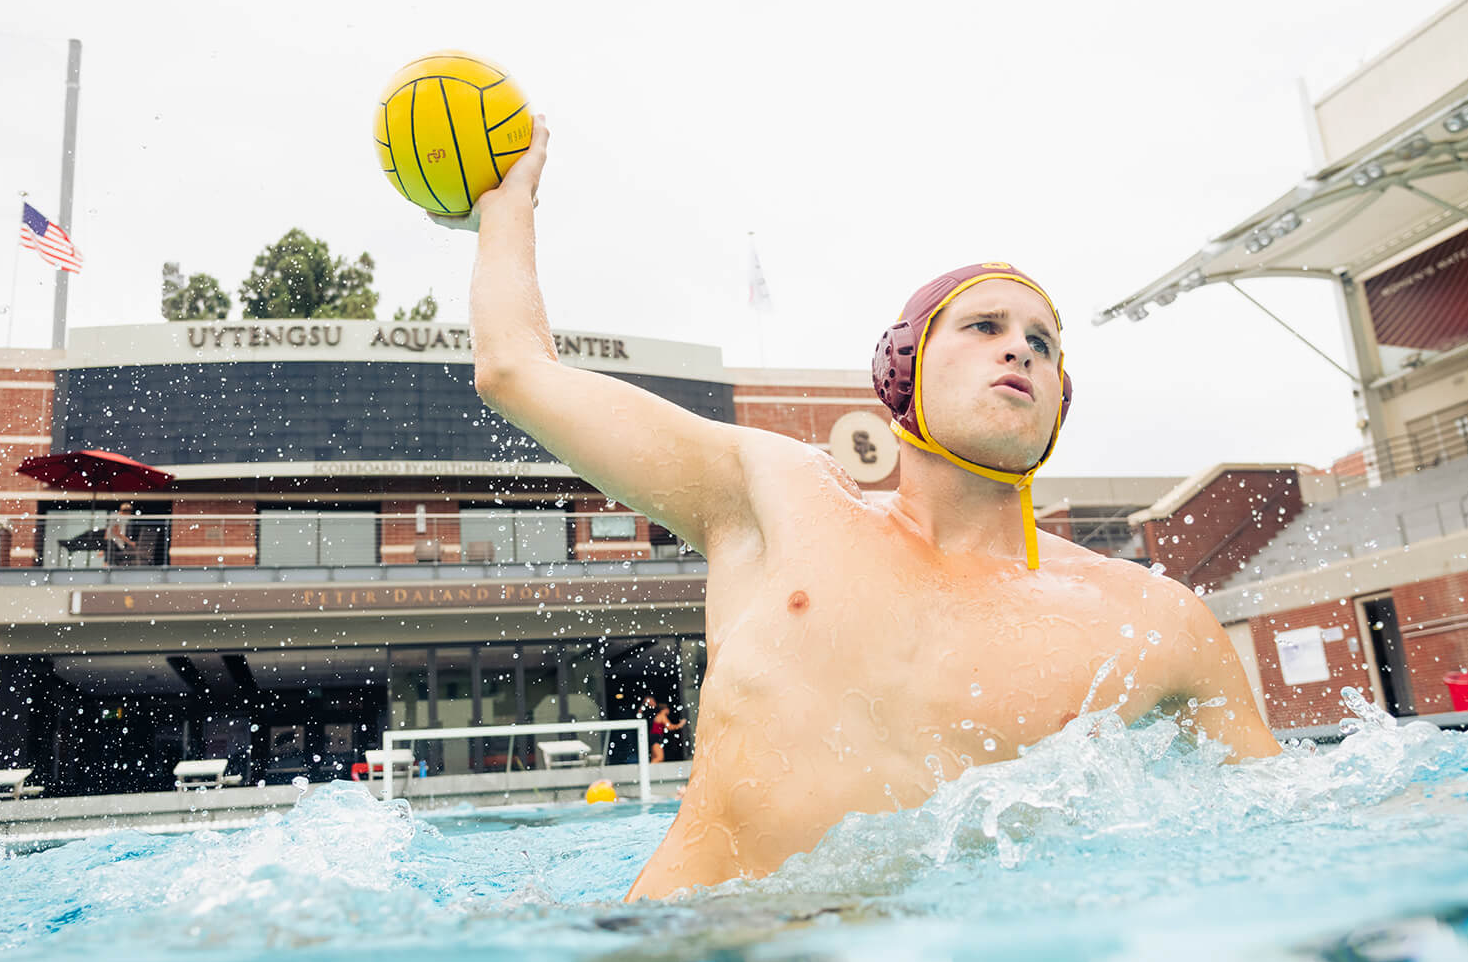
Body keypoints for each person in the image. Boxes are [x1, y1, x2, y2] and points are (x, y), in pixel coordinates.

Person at [436, 117, 1281, 901]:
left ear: (1062, 399)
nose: (1020, 348)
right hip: (691, 957)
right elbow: (516, 372)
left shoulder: (1149, 620)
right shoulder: (778, 495)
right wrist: (508, 206)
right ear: (902, 368)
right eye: (983, 327)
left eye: (1043, 342)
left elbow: (1277, 824)